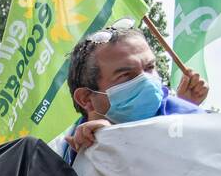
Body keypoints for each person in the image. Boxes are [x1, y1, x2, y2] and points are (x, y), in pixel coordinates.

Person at [56, 19, 210, 162]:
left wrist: (182, 117)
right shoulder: (58, 153)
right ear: (86, 99)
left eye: (149, 67)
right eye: (125, 75)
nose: (147, 81)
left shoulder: (187, 118)